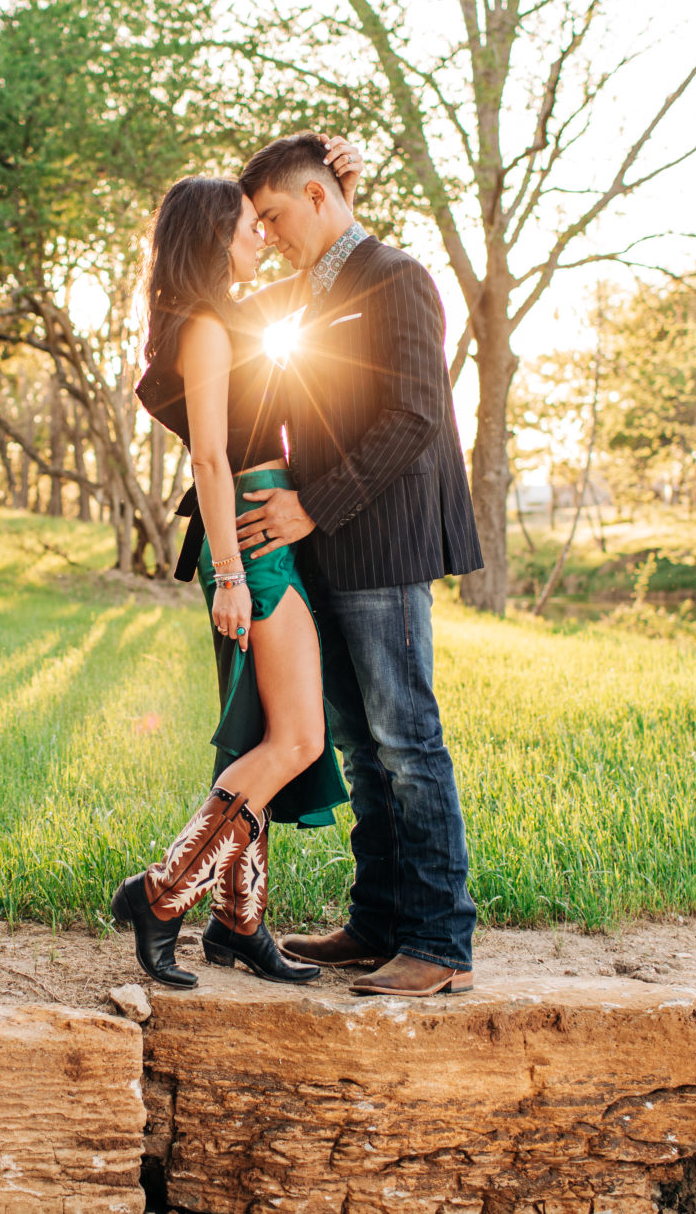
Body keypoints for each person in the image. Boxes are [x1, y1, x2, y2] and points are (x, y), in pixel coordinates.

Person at [233, 134, 486, 998]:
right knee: (362, 745)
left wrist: (311, 504)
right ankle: (378, 919)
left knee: (408, 740)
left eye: (272, 215)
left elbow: (415, 414)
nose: (266, 234)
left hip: (382, 540)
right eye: (254, 222)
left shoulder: (398, 276)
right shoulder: (307, 289)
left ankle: (439, 940)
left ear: (315, 197)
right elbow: (230, 304)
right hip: (329, 547)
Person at [110, 139, 364, 990]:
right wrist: (229, 575)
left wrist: (343, 191)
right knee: (297, 737)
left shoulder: (219, 316)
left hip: (259, 539)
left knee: (267, 735)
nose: (260, 233)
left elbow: (317, 275)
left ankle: (237, 923)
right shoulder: (210, 328)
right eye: (247, 224)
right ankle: (162, 892)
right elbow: (211, 459)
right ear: (213, 234)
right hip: (253, 545)